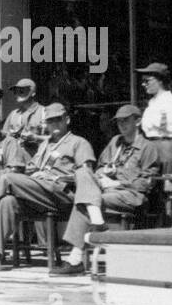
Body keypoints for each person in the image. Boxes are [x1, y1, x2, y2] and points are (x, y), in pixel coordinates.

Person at [0, 103, 96, 270]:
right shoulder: (45, 145)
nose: (54, 124)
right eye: (50, 121)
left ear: (67, 119)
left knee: (7, 179)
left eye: (58, 120)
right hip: (40, 193)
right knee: (7, 202)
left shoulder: (78, 143)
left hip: (62, 192)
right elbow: (30, 167)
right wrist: (34, 174)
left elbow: (86, 174)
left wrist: (55, 176)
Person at [52, 104, 163, 274]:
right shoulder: (115, 142)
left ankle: (75, 258)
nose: (121, 125)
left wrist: (117, 184)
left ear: (138, 121)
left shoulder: (148, 147)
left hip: (131, 195)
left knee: (86, 201)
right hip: (104, 191)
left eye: (126, 121)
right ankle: (97, 222)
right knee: (82, 171)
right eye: (119, 122)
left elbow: (147, 183)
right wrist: (104, 173)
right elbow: (97, 168)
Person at [136, 63, 172, 176]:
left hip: (167, 151)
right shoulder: (150, 105)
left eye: (147, 81)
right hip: (149, 152)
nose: (143, 84)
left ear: (160, 80)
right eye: (143, 81)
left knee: (169, 188)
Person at [2, 78, 46, 161]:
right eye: (15, 92)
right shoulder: (13, 114)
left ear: (32, 93)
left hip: (36, 162)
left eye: (21, 91)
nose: (17, 94)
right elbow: (3, 138)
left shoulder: (44, 112)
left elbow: (55, 139)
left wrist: (35, 138)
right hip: (15, 163)